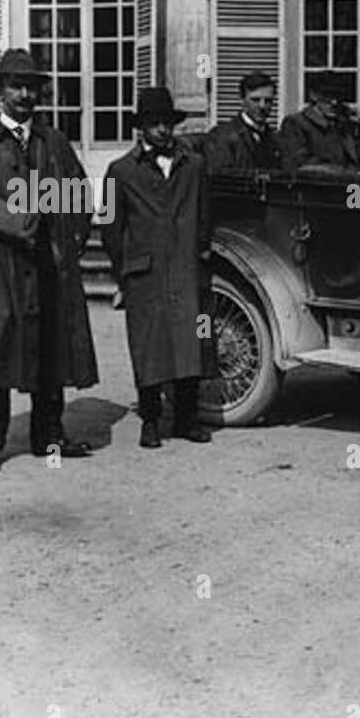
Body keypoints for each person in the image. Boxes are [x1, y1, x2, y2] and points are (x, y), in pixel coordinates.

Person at [0, 48, 98, 474]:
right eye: (16, 86)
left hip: (47, 263)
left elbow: (78, 193)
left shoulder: (54, 144)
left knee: (50, 350)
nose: (25, 95)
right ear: (0, 91)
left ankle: (48, 437)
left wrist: (74, 237)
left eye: (31, 87)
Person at [103, 88, 218, 449]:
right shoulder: (119, 171)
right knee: (149, 347)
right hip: (144, 272)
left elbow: (205, 215)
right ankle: (150, 421)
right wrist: (123, 270)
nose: (163, 131)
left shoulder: (193, 166)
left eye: (167, 124)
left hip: (185, 265)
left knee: (190, 344)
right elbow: (109, 225)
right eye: (154, 125)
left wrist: (200, 252)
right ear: (141, 128)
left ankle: (187, 418)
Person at [280, 70, 360, 170]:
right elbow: (301, 164)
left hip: (351, 187)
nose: (334, 102)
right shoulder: (296, 123)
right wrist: (348, 173)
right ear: (314, 95)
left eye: (338, 96)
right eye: (328, 95)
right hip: (318, 188)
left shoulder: (344, 125)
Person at [205, 70, 287, 171]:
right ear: (242, 100)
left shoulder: (276, 140)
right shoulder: (221, 136)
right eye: (255, 100)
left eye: (268, 101)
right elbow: (221, 178)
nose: (262, 106)